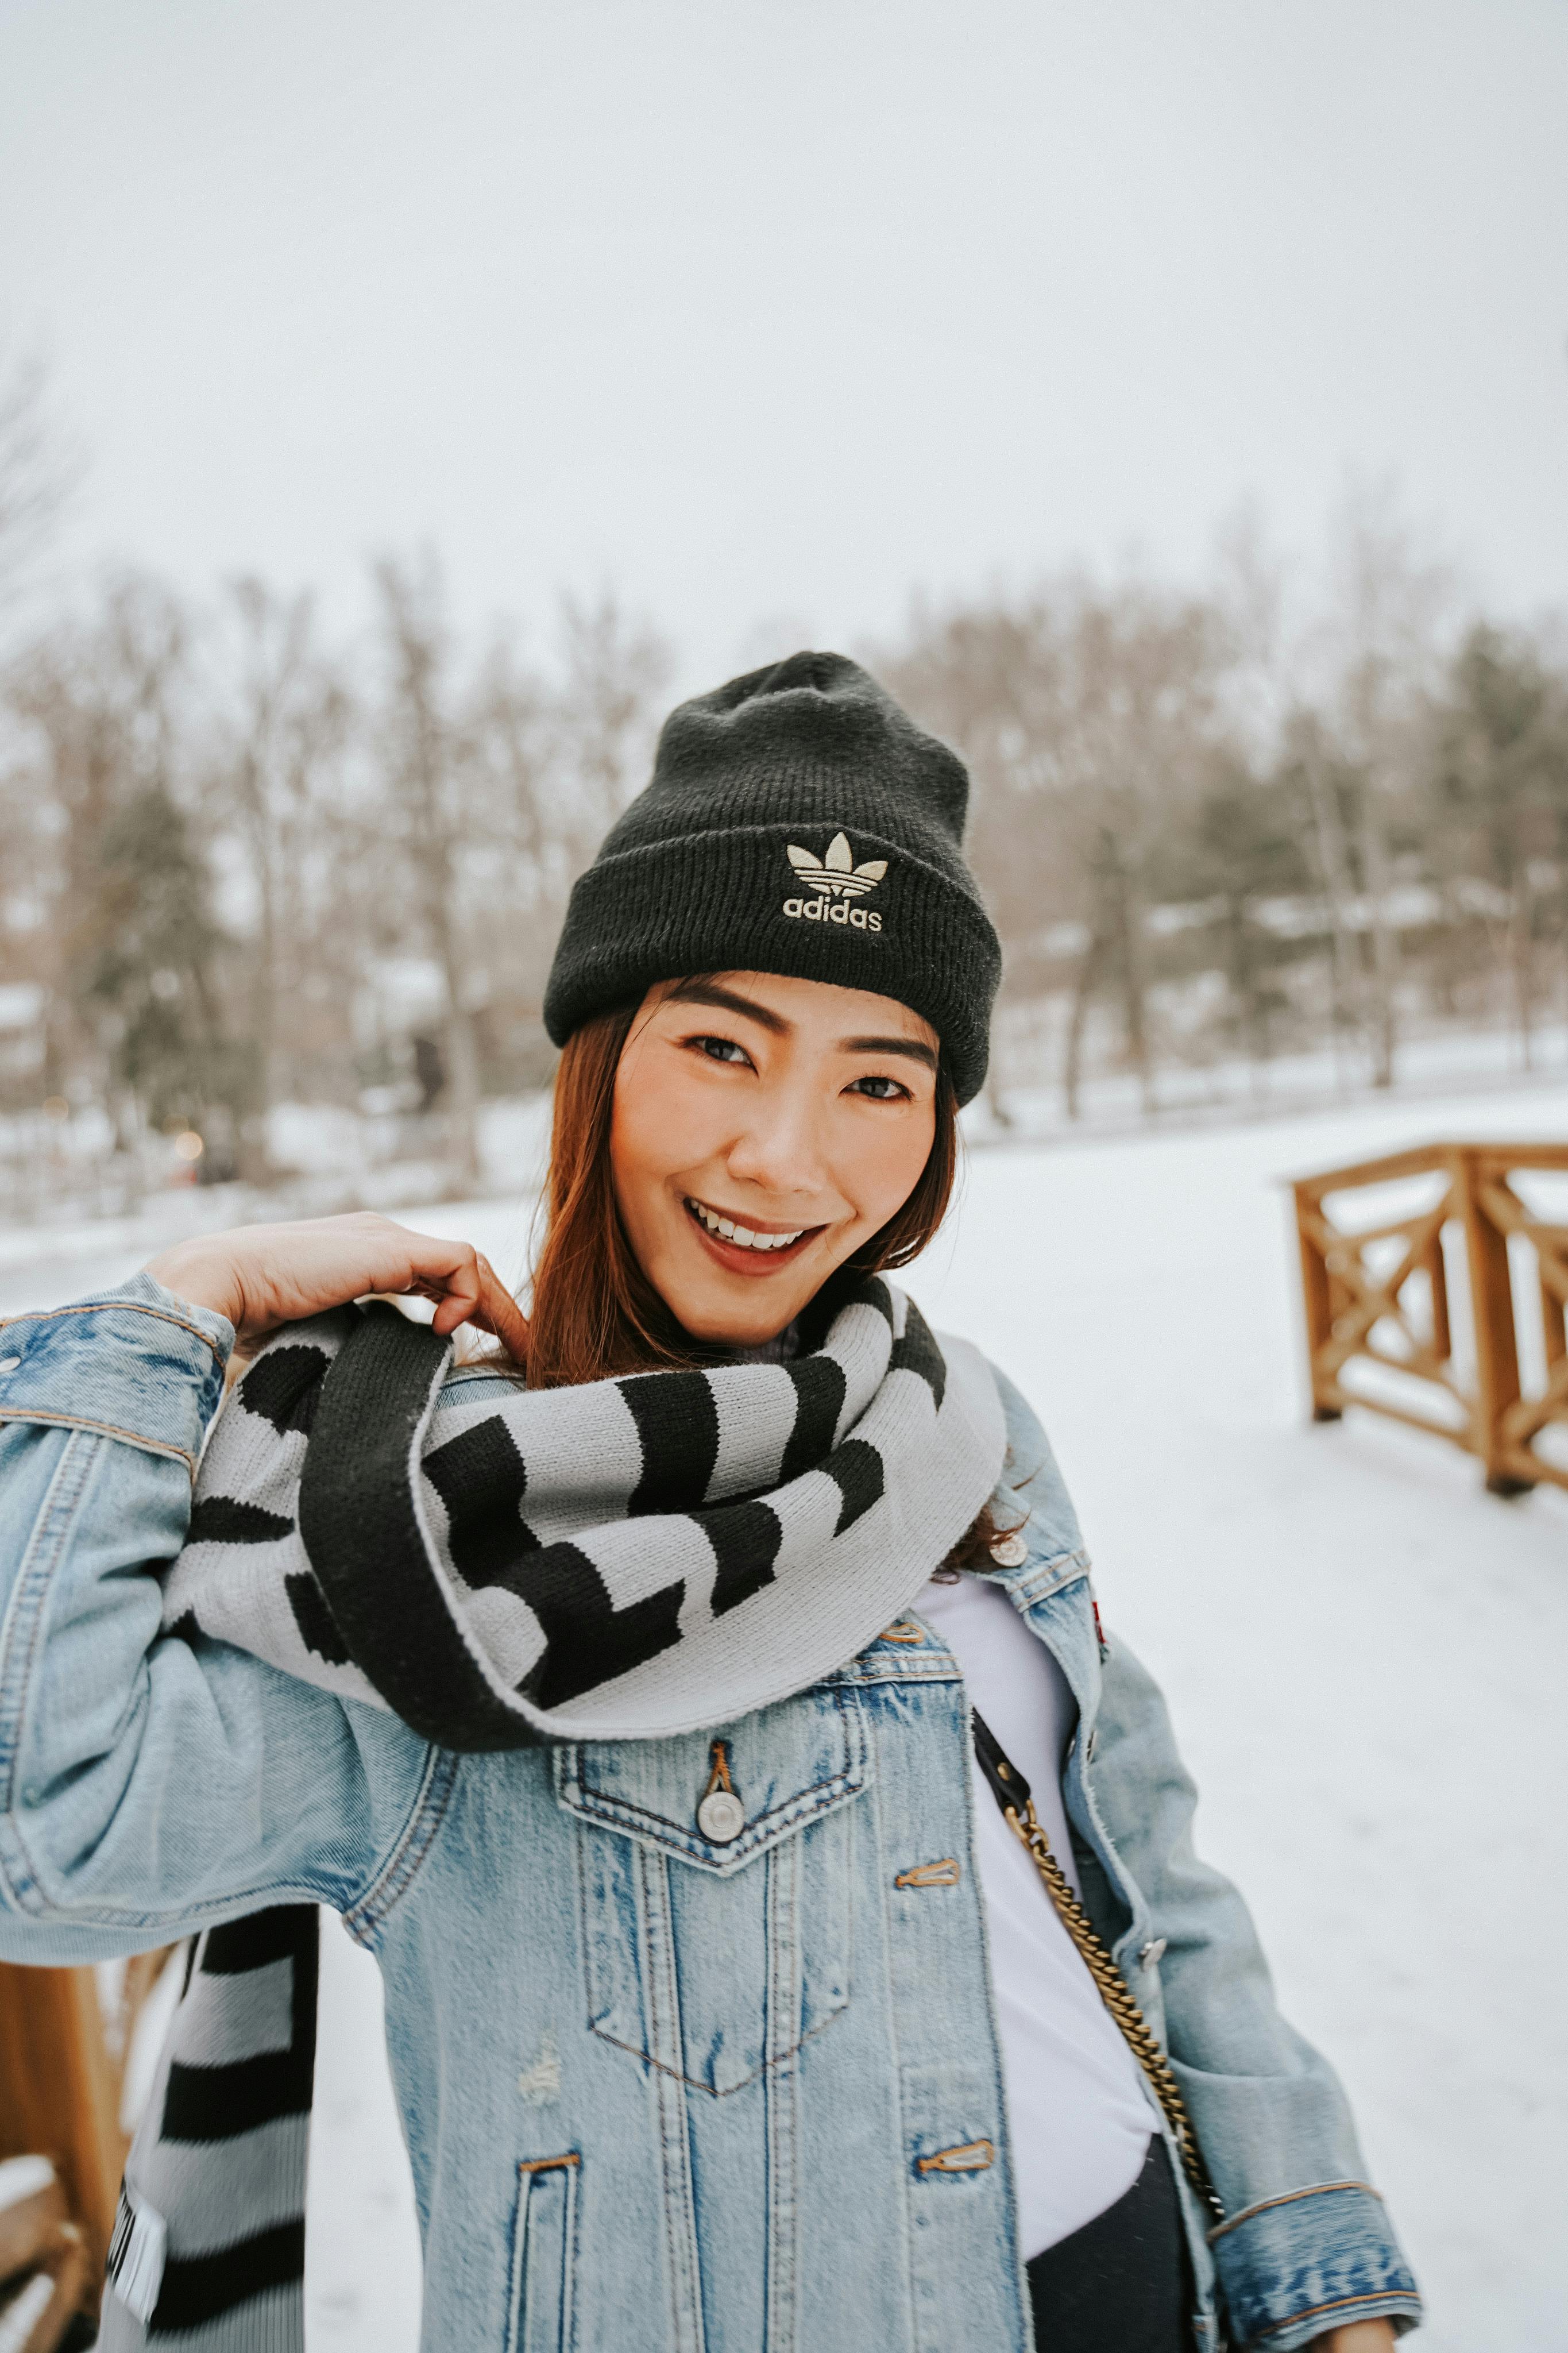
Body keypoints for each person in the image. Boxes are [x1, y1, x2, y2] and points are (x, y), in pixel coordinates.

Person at [0, 654, 1419, 2352]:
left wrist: (1314, 2269)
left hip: (1149, 2297)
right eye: (721, 1048)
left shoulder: (967, 1430)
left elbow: (1150, 1873)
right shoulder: (428, 1533)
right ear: (599, 1058)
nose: (786, 1158)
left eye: (878, 1081)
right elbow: (46, 1838)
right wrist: (177, 1309)